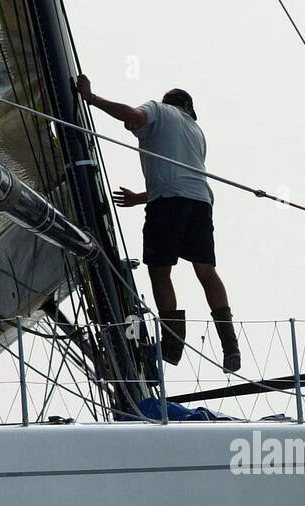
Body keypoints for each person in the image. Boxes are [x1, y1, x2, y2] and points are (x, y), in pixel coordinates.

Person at [76, 74, 240, 373]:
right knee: (205, 270)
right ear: (190, 107)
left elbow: (133, 115)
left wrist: (92, 99)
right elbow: (176, 173)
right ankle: (230, 344)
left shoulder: (159, 110)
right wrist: (140, 198)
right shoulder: (196, 131)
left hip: (168, 204)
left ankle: (173, 344)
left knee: (160, 271)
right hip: (200, 202)